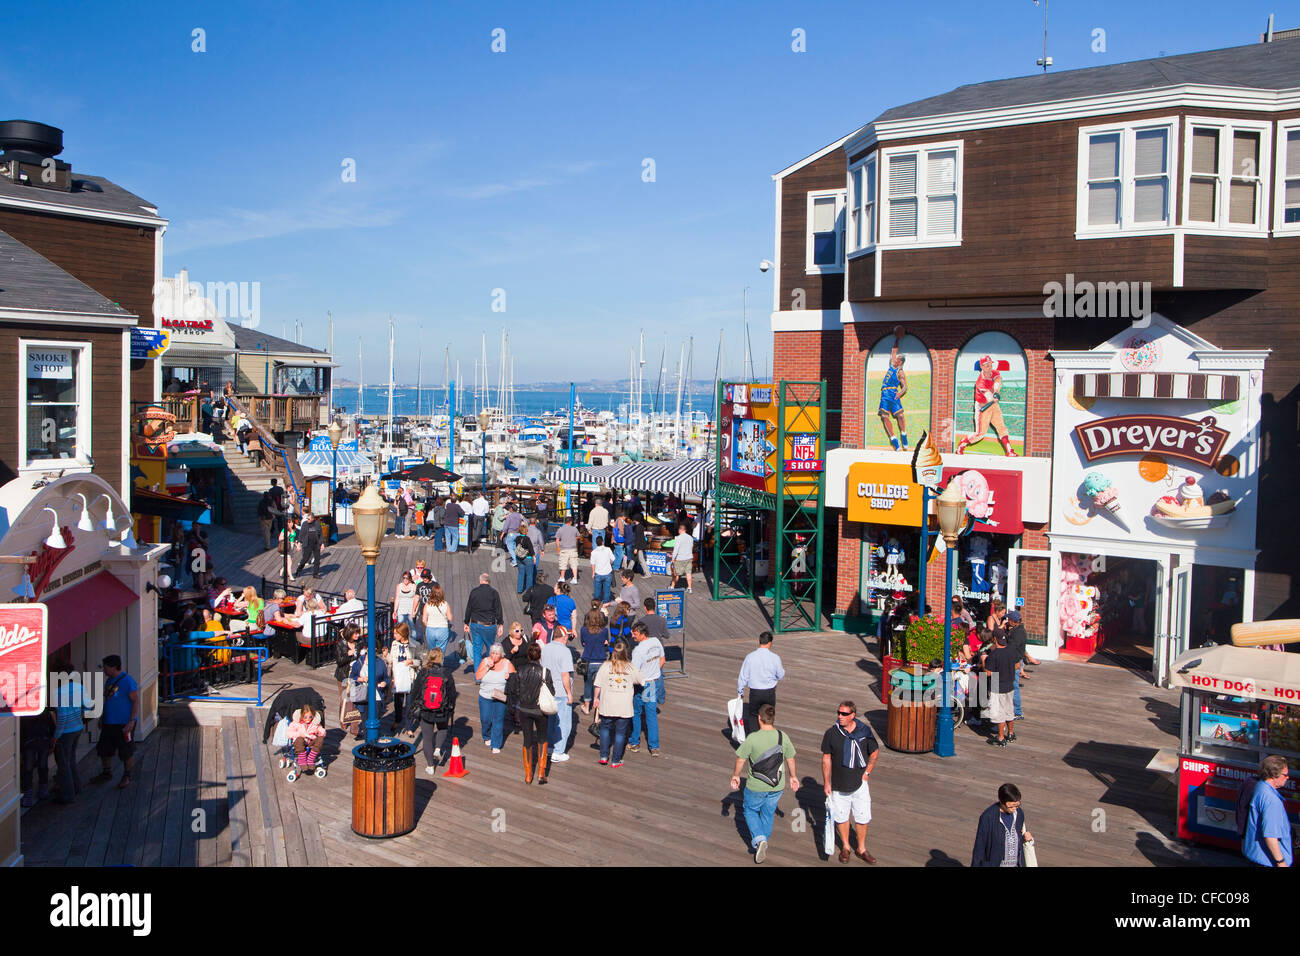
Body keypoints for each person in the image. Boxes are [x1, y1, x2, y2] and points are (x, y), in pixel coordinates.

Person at [730, 703, 798, 864]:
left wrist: (736, 776)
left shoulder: (753, 738)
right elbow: (790, 758)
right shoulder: (783, 736)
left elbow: (741, 759)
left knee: (750, 810)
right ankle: (763, 843)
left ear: (759, 718)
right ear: (773, 719)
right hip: (777, 785)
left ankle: (760, 840)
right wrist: (793, 776)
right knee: (768, 813)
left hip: (756, 786)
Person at [821, 700, 879, 863]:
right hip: (839, 785)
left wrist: (867, 772)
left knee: (862, 817)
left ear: (853, 715)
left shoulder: (864, 732)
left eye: (844, 714)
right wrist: (827, 782)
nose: (840, 716)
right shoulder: (831, 734)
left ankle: (861, 848)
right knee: (841, 817)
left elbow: (874, 753)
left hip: (859, 784)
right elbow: (826, 758)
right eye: (838, 713)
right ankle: (846, 847)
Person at [507, 642, 556, 784]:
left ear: (528, 655)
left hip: (524, 709)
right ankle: (541, 772)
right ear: (540, 656)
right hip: (540, 709)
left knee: (527, 740)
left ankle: (528, 775)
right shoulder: (545, 672)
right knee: (542, 738)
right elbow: (552, 691)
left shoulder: (520, 670)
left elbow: (515, 690)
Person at [592, 639, 644, 768]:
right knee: (620, 733)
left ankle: (604, 756)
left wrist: (595, 698)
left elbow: (597, 684)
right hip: (624, 706)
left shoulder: (605, 666)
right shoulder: (630, 667)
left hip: (607, 703)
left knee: (605, 729)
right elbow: (641, 681)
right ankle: (616, 760)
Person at [406, 648, 459, 774]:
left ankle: (430, 766)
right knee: (442, 728)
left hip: (425, 709)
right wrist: (451, 709)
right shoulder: (446, 673)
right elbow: (452, 694)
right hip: (441, 709)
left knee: (427, 737)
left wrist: (413, 705)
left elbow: (416, 691)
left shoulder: (424, 672)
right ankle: (438, 748)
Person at [92, 655, 139, 790]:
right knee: (104, 749)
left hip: (123, 723)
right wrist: (102, 717)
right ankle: (106, 772)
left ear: (113, 667)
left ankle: (127, 775)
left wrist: (131, 721)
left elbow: (135, 701)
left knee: (126, 750)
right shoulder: (109, 681)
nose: (104, 670)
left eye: (106, 667)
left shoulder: (127, 681)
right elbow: (108, 700)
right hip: (109, 722)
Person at [957, 354, 1018, 456]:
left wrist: (997, 391)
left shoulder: (994, 372)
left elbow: (998, 380)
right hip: (983, 406)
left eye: (990, 364)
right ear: (982, 367)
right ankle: (962, 443)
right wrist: (994, 397)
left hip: (993, 405)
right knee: (980, 434)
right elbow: (989, 398)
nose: (989, 367)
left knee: (1002, 428)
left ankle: (1009, 451)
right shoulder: (981, 382)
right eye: (987, 365)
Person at [1243, 755, 1293, 867]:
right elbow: (1270, 836)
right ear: (1274, 775)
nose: (1288, 777)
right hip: (1268, 861)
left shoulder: (1260, 787)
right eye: (1285, 775)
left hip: (1255, 856)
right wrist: (1281, 862)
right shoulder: (1272, 801)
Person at [971, 783, 1033, 866]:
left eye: (1017, 805)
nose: (1014, 809)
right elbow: (980, 847)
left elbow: (1017, 838)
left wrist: (1026, 839)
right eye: (1011, 806)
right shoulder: (988, 817)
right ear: (1001, 802)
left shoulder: (1019, 814)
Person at [628, 621, 666, 756]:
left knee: (636, 713)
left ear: (642, 634)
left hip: (641, 684)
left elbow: (634, 672)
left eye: (635, 633)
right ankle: (654, 746)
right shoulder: (656, 641)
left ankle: (634, 742)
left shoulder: (638, 651)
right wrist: (654, 670)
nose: (633, 635)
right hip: (653, 682)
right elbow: (663, 659)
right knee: (651, 715)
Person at [738, 631, 785, 736]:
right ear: (770, 643)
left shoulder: (750, 657)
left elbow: (743, 675)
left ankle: (754, 740)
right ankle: (768, 739)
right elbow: (781, 675)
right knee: (768, 716)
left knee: (754, 716)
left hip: (755, 692)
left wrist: (740, 690)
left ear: (759, 641)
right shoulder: (775, 658)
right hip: (769, 692)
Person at [541, 624, 575, 762]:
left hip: (548, 690)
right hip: (561, 691)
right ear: (564, 637)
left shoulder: (545, 648)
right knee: (564, 723)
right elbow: (565, 674)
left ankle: (549, 747)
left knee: (551, 721)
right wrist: (569, 693)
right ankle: (559, 751)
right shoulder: (565, 651)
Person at [463, 572, 505, 675]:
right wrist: (500, 624)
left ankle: (478, 675)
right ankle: (488, 673)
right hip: (489, 625)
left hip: (476, 624)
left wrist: (466, 622)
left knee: (477, 650)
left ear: (480, 581)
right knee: (490, 649)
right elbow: (498, 609)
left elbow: (469, 608)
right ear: (488, 582)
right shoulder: (494, 593)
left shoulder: (474, 592)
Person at [475, 644, 515, 753]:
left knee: (498, 720)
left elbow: (515, 678)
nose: (494, 655)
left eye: (497, 653)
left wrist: (509, 677)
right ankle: (486, 735)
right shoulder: (485, 661)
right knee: (485, 719)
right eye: (492, 653)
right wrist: (487, 667)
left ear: (501, 654)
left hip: (500, 697)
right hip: (485, 696)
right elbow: (478, 676)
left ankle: (496, 744)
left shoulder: (507, 663)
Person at [983, 631, 1018, 746]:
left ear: (995, 639)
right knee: (1009, 710)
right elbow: (1017, 666)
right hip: (1010, 685)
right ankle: (1011, 733)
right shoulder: (1011, 650)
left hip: (997, 686)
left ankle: (1001, 737)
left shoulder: (994, 655)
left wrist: (984, 661)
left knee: (999, 713)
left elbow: (988, 673)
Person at [877, 326, 909, 451]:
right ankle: (894, 439)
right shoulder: (891, 366)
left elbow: (905, 387)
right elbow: (893, 352)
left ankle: (903, 434)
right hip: (885, 393)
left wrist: (899, 394)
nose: (895, 358)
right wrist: (897, 340)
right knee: (884, 417)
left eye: (897, 358)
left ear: (900, 361)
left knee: (900, 416)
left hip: (893, 393)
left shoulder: (900, 372)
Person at [350, 643, 389, 732]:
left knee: (376, 717)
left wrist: (384, 683)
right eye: (370, 650)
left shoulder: (380, 662)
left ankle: (373, 738)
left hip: (376, 694)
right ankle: (366, 737)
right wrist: (361, 679)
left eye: (375, 650)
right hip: (363, 694)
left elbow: (386, 678)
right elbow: (352, 677)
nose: (373, 652)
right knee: (365, 719)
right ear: (366, 649)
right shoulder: (359, 662)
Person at [20, 708, 55, 807]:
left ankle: (29, 794)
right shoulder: (42, 709)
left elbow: (51, 725)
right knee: (38, 766)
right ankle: (41, 791)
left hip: (33, 742)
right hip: (39, 741)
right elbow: (51, 726)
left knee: (30, 768)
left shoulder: (24, 710)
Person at [579, 604, 610, 716]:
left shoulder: (584, 630)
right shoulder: (604, 631)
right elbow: (606, 643)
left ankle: (586, 707)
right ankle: (598, 711)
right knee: (599, 686)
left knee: (588, 684)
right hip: (601, 660)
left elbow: (583, 643)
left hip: (588, 660)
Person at [388, 622, 420, 725]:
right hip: (398, 677)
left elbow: (420, 662)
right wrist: (386, 656)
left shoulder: (414, 645)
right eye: (394, 633)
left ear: (403, 634)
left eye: (397, 634)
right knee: (398, 702)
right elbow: (391, 659)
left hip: (410, 677)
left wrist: (411, 662)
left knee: (409, 703)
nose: (394, 636)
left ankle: (409, 726)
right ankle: (397, 720)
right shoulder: (394, 644)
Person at [1004, 609, 1029, 721]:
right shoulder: (1017, 630)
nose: (1007, 621)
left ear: (1014, 621)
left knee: (1014, 686)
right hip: (1015, 661)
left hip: (1015, 662)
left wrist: (1006, 634)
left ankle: (1018, 712)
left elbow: (1012, 646)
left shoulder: (1018, 633)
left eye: (1009, 619)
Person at [334, 624, 361, 726]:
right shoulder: (341, 644)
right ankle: (343, 720)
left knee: (355, 698)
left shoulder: (359, 643)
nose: (357, 635)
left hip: (355, 674)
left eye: (358, 633)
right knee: (344, 698)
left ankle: (353, 722)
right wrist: (347, 655)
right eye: (355, 633)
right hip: (343, 675)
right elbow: (339, 661)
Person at [287, 703, 326, 769]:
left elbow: (323, 732)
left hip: (310, 741)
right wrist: (299, 734)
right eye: (305, 717)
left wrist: (319, 732)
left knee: (320, 739)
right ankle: (302, 760)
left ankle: (311, 758)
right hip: (299, 742)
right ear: (301, 716)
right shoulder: (296, 723)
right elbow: (289, 733)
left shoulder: (315, 724)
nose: (308, 719)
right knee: (299, 739)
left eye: (310, 717)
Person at [422, 582, 454, 656]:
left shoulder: (427, 604)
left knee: (432, 651)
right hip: (442, 629)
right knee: (441, 651)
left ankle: (432, 665)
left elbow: (424, 620)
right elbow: (450, 618)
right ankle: (440, 665)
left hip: (430, 629)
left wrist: (429, 625)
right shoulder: (445, 604)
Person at [294, 508, 323, 578]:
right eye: (307, 519)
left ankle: (315, 574)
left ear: (313, 519)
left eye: (309, 519)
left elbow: (320, 534)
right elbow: (301, 534)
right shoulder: (305, 524)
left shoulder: (317, 524)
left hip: (316, 544)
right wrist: (299, 543)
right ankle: (298, 570)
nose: (307, 520)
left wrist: (322, 544)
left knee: (317, 560)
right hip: (308, 544)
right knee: (305, 559)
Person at [555, 515, 581, 584]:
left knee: (563, 563)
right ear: (571, 522)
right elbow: (579, 536)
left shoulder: (560, 529)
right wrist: (574, 538)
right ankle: (575, 578)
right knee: (574, 563)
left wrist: (558, 548)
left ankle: (562, 577)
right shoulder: (574, 529)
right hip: (573, 549)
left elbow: (557, 539)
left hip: (564, 549)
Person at [514, 518, 538, 593]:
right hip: (527, 558)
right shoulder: (527, 539)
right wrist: (534, 557)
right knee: (529, 575)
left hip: (519, 558)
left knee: (521, 574)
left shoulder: (517, 538)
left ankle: (519, 589)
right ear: (526, 531)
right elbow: (531, 549)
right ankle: (528, 591)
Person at [670, 522, 695, 592]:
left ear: (680, 530)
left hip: (680, 559)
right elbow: (691, 547)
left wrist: (673, 558)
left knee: (676, 574)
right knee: (688, 573)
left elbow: (676, 550)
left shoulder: (678, 538)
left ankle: (672, 587)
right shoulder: (690, 538)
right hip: (689, 558)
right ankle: (689, 588)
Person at [590, 536, 615, 604]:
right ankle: (606, 604)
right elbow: (613, 559)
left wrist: (593, 573)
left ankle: (596, 604)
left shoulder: (593, 552)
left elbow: (592, 564)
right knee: (607, 591)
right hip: (607, 573)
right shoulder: (608, 549)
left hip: (598, 573)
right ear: (602, 542)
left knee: (597, 591)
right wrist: (608, 563)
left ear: (596, 543)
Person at [502, 504, 524, 568]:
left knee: (510, 547)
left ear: (511, 509)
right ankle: (516, 559)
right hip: (518, 533)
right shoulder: (520, 516)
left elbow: (506, 526)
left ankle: (515, 561)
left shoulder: (510, 516)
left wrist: (502, 533)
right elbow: (526, 521)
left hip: (511, 533)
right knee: (514, 546)